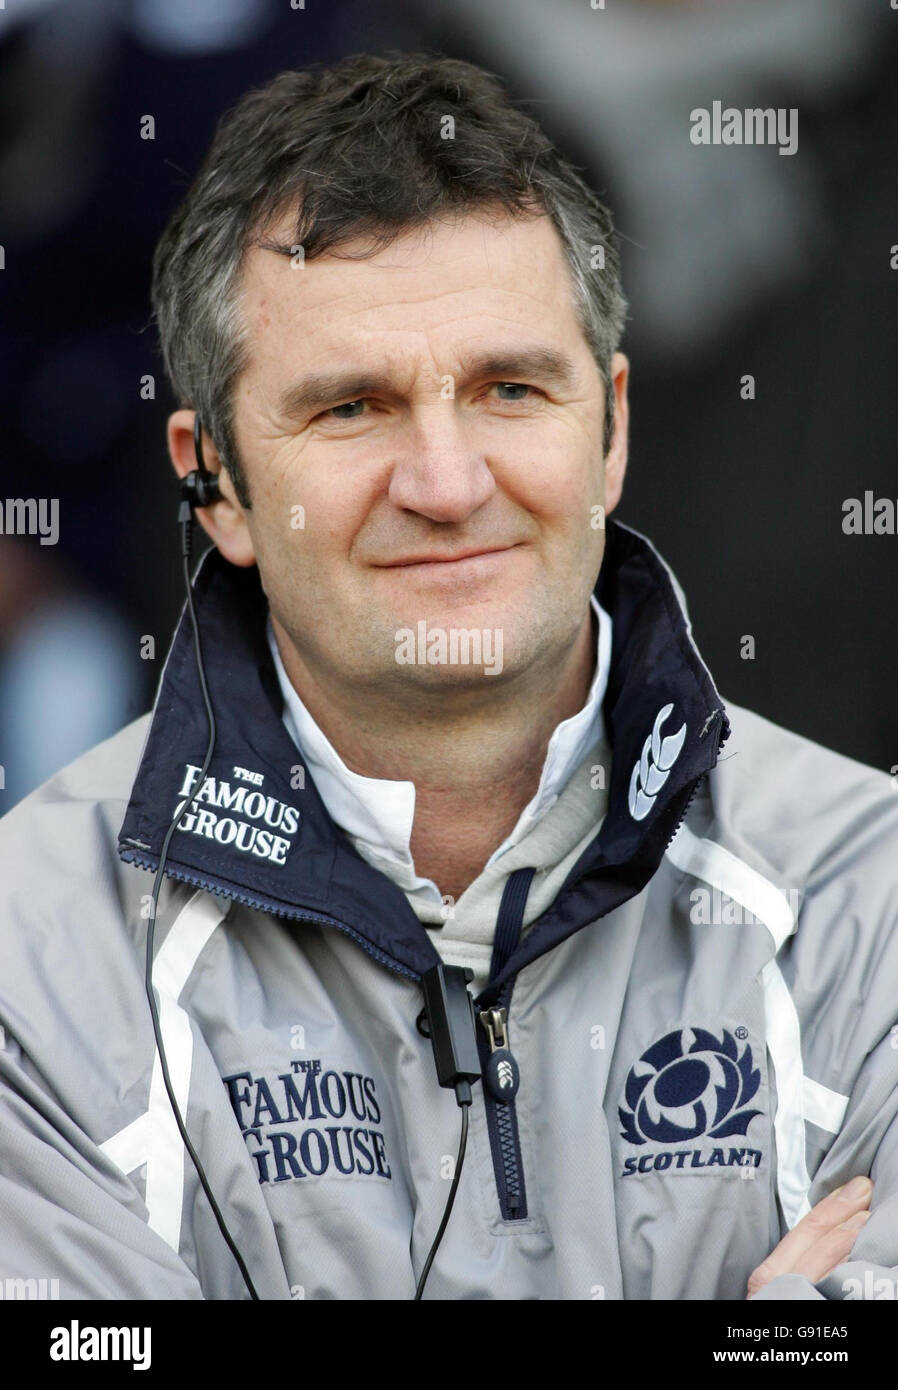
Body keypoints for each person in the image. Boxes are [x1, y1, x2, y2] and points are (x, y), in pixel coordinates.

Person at [1, 51, 895, 1302]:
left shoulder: (874, 891)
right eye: (352, 408)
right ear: (217, 484)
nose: (447, 481)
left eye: (509, 389)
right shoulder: (26, 949)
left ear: (611, 430)